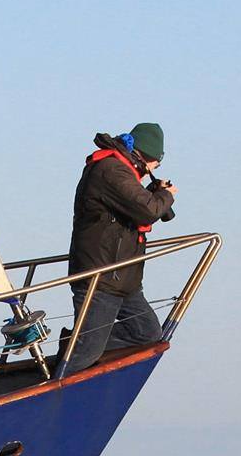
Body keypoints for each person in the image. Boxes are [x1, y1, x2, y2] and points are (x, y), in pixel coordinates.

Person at [63, 121, 178, 374]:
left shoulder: (122, 172)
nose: (153, 171)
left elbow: (133, 207)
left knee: (147, 334)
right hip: (101, 276)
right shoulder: (111, 169)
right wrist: (165, 196)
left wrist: (151, 192)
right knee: (87, 354)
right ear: (148, 157)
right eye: (156, 166)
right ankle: (57, 384)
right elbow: (148, 211)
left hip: (123, 279)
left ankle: (74, 343)